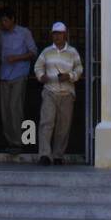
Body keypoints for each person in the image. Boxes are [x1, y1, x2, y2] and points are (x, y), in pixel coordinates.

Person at [34, 21, 83, 166]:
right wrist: (41, 76)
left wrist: (70, 76)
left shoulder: (72, 52)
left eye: (59, 33)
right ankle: (44, 155)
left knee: (64, 126)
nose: (57, 37)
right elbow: (38, 66)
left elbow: (79, 69)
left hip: (67, 93)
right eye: (54, 34)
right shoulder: (46, 51)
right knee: (46, 123)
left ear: (65, 34)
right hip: (50, 91)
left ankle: (58, 155)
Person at [0, 8, 37, 152]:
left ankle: (19, 142)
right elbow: (0, 51)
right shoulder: (1, 34)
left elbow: (33, 52)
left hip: (19, 74)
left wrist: (17, 58)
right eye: (2, 21)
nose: (3, 23)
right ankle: (10, 141)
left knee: (15, 107)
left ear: (13, 19)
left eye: (6, 20)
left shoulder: (24, 32)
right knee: (5, 109)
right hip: (4, 75)